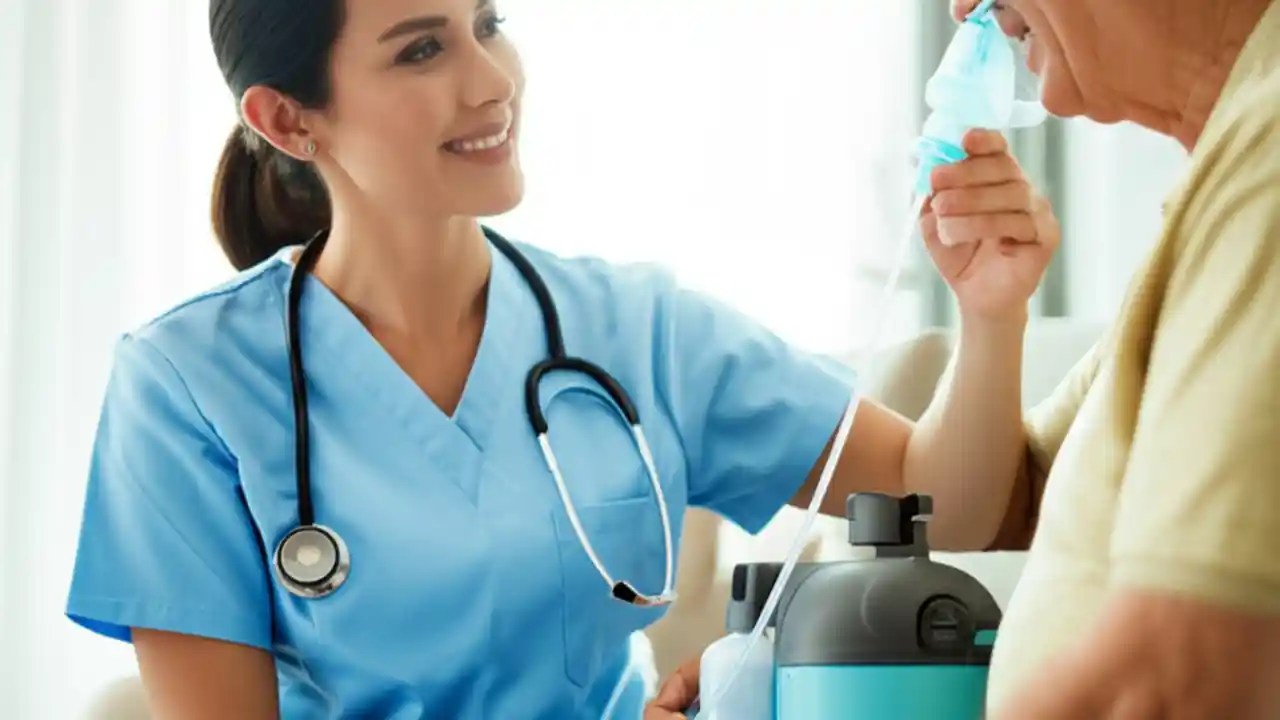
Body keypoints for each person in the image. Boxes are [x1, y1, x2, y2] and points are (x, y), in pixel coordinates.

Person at [64, 1, 1058, 717]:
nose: (491, 80)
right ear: (288, 120)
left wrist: (991, 312)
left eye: (487, 23)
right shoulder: (185, 381)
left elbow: (953, 510)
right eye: (420, 50)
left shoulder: (638, 330)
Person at [651, 0, 1280, 717]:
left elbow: (1182, 680)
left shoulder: (1269, 161)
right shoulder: (1229, 178)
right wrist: (798, 651)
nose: (961, 8)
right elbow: (1006, 502)